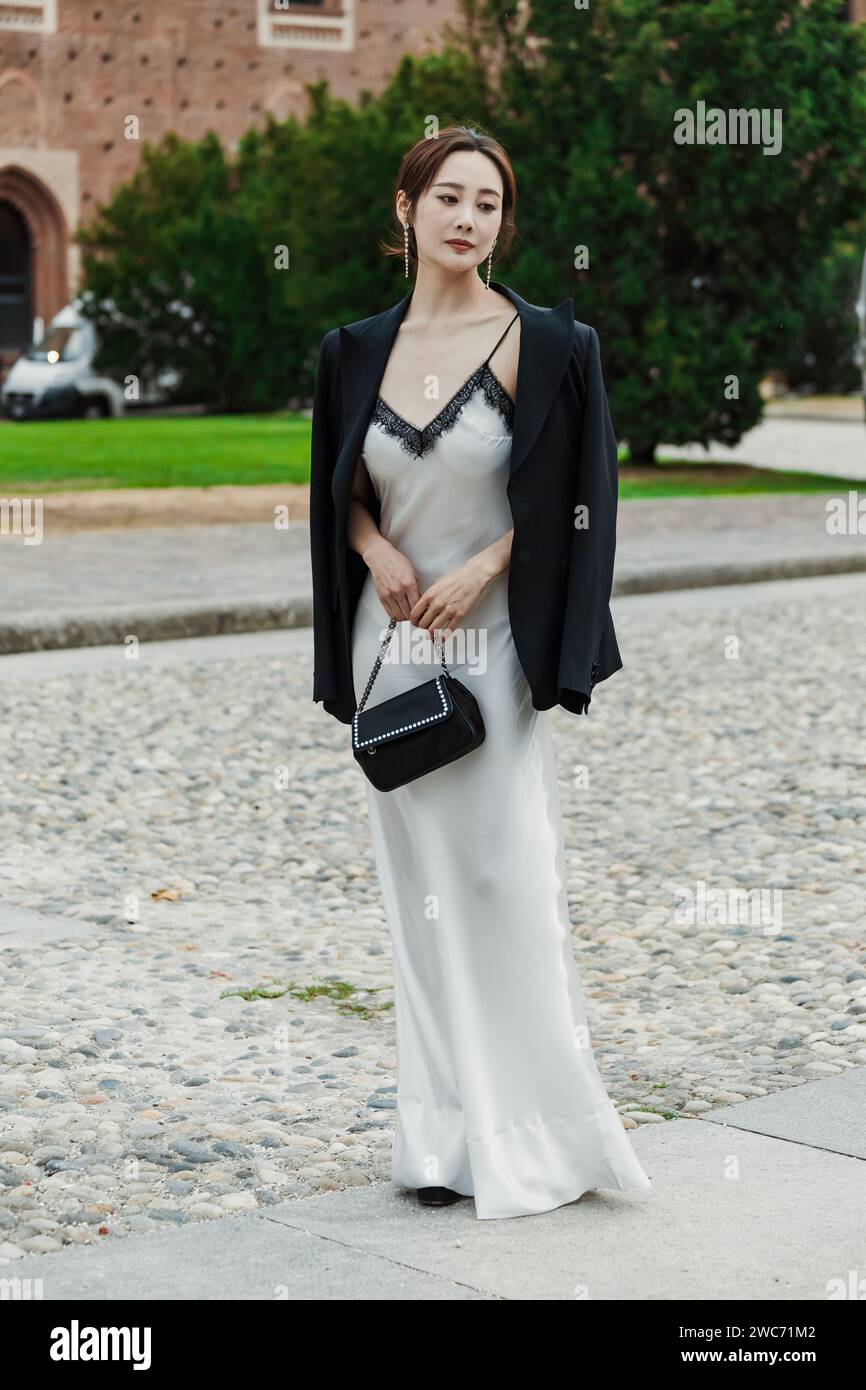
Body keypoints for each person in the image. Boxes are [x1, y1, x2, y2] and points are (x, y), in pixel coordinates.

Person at [309, 125, 652, 1219]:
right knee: (419, 900)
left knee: (504, 878)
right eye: (448, 197)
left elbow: (580, 501)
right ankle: (439, 1142)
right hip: (390, 644)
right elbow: (338, 496)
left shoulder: (549, 343)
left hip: (493, 641)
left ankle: (541, 1138)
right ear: (403, 209)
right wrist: (374, 551)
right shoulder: (351, 349)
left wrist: (490, 565)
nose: (468, 218)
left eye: (488, 204)